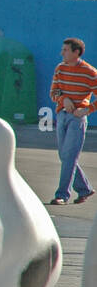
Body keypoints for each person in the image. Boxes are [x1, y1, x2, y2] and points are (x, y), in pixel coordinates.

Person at [49, 36, 97, 205]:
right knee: (65, 156)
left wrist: (87, 109)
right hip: (61, 115)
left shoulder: (90, 72)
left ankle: (62, 195)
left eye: (65, 50)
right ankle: (84, 189)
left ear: (76, 52)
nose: (62, 53)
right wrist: (64, 100)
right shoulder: (60, 69)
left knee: (69, 156)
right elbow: (53, 92)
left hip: (77, 119)